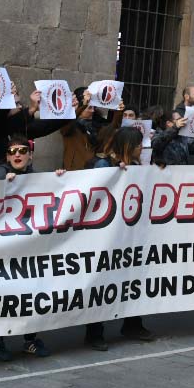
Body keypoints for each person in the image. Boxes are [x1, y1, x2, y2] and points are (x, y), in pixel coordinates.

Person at [82, 128, 157, 347]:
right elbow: (94, 192)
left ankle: (132, 324)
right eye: (138, 144)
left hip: (130, 235)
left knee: (133, 280)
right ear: (127, 146)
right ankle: (94, 332)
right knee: (102, 283)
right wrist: (115, 175)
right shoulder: (104, 164)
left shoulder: (136, 167)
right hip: (105, 236)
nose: (141, 148)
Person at [0, 140, 51, 359]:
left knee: (31, 292)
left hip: (29, 247)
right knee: (2, 294)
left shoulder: (37, 176)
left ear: (30, 155)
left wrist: (61, 179)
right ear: (7, 156)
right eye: (12, 151)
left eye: (22, 151)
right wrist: (2, 185)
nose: (17, 155)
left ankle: (30, 340)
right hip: (3, 247)